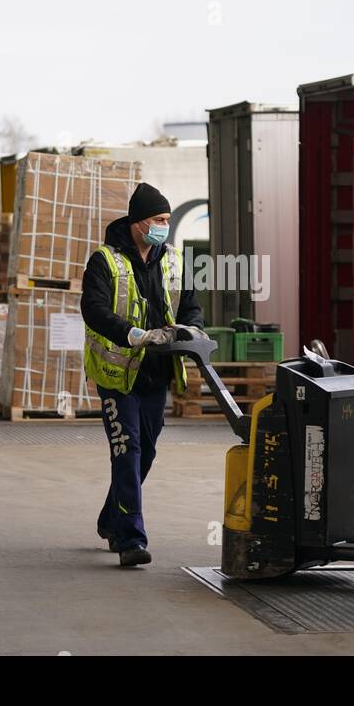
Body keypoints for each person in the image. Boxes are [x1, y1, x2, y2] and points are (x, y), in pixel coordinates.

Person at [81, 183, 203, 567]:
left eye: (167, 220)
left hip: (156, 372)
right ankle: (131, 540)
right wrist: (134, 334)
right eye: (159, 220)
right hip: (118, 374)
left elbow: (189, 304)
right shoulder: (105, 261)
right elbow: (94, 309)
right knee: (127, 450)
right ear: (138, 222)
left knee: (145, 452)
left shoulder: (172, 259)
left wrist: (191, 329)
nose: (165, 226)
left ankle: (111, 519)